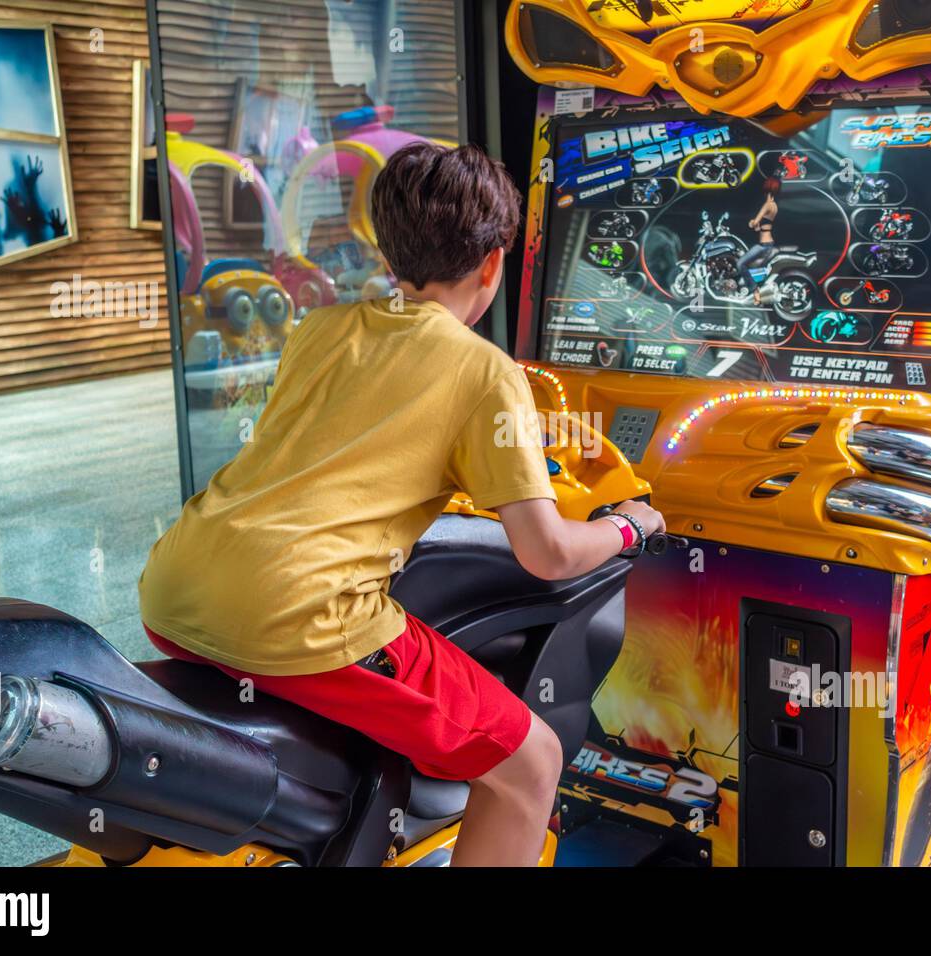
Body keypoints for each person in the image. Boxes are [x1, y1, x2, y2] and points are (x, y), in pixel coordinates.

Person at [137, 141, 665, 867]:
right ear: (493, 265)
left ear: (389, 255)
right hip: (298, 614)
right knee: (531, 762)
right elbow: (548, 554)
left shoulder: (319, 331)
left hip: (175, 590)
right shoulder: (486, 371)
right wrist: (628, 527)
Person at [736, 174, 782, 306]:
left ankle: (755, 292)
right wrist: (756, 226)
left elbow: (755, 222)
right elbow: (762, 226)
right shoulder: (774, 206)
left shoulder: (767, 205)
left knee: (740, 264)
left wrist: (752, 222)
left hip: (764, 245)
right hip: (767, 242)